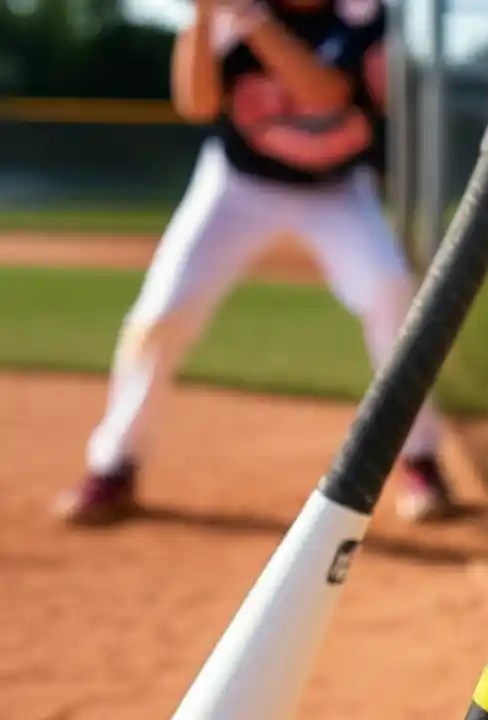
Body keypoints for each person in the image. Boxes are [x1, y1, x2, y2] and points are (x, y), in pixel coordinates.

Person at [54, 0, 453, 525]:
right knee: (164, 310)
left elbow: (326, 93)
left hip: (336, 188)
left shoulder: (357, 12)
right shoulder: (225, 16)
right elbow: (196, 105)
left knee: (389, 293)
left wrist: (250, 22)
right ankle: (114, 464)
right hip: (238, 185)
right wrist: (200, 20)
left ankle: (419, 456)